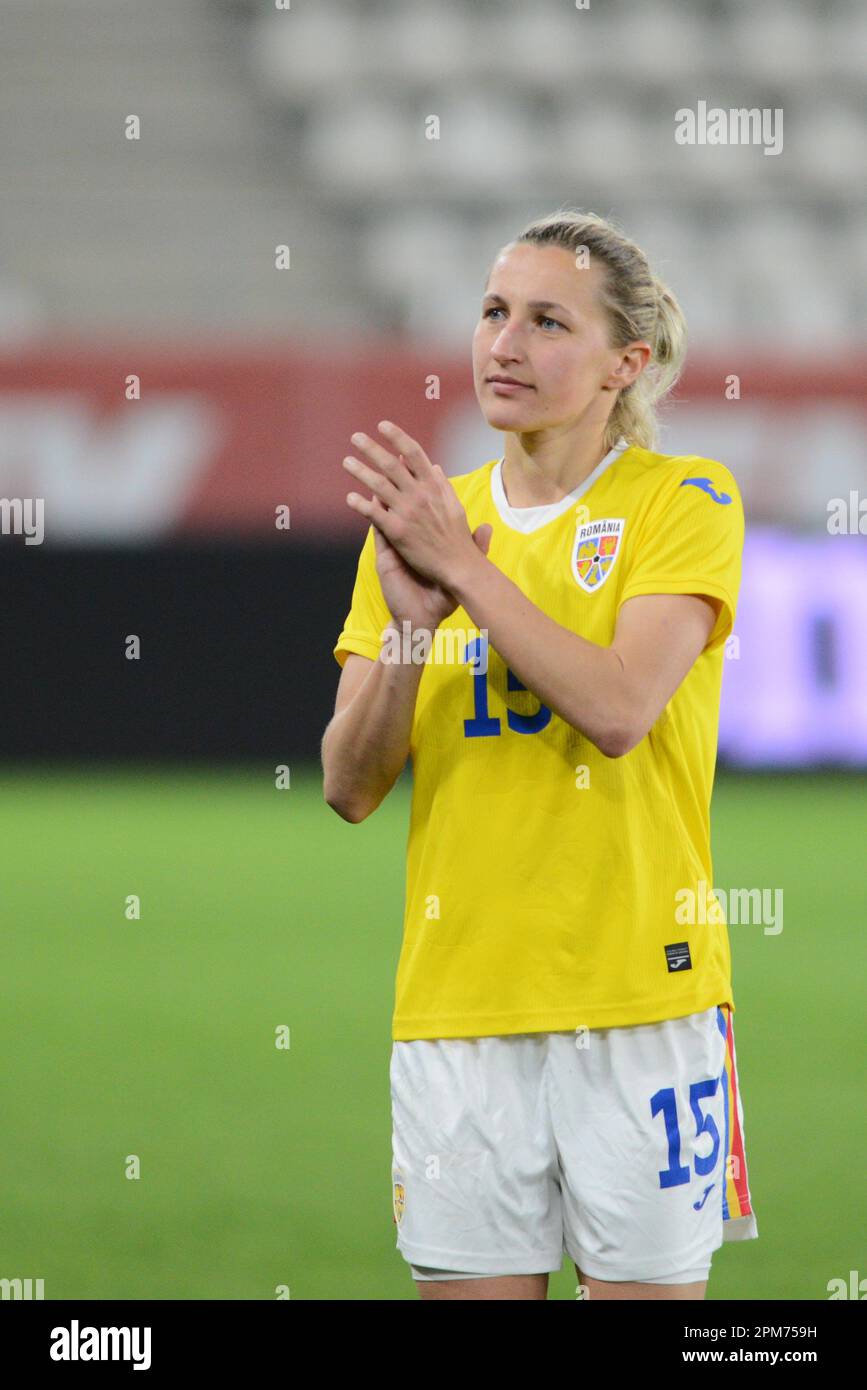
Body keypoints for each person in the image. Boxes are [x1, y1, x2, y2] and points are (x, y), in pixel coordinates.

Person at [322, 208, 757, 1301]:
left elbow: (618, 709)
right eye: (492, 312)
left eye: (548, 321)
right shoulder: (433, 522)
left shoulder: (685, 500)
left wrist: (464, 577)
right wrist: (414, 624)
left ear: (627, 363)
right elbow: (348, 784)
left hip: (641, 1009)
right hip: (458, 1013)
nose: (505, 345)